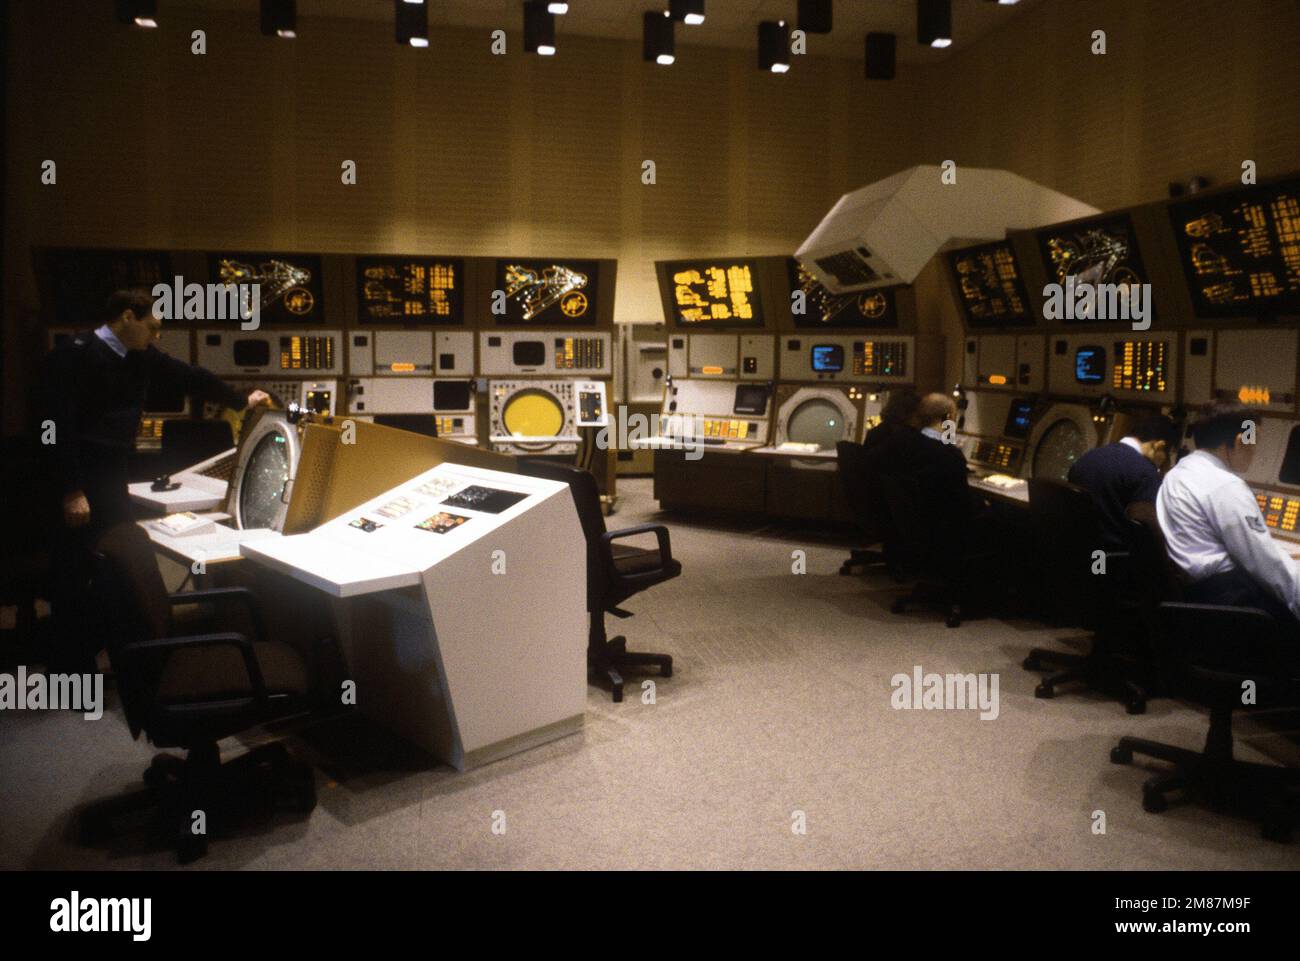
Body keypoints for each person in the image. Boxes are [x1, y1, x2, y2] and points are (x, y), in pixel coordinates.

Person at [38, 288, 271, 669]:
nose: (157, 336)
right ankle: (69, 672)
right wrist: (70, 489)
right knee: (74, 571)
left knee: (116, 565)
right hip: (80, 475)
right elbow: (53, 427)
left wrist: (239, 399)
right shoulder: (72, 356)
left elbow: (190, 377)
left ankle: (125, 657)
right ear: (127, 317)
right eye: (153, 327)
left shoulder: (139, 356)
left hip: (112, 473)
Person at [1157, 403, 1300, 636]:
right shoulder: (1224, 485)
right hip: (1234, 602)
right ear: (1239, 440)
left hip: (1199, 597)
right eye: (1252, 441)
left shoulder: (1177, 474)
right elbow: (1265, 564)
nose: (1254, 451)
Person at [1067, 413, 1182, 549]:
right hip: (1109, 560)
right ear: (1159, 446)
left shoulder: (1087, 458)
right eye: (1167, 456)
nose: (1165, 464)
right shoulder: (1145, 473)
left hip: (1072, 549)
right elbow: (1147, 529)